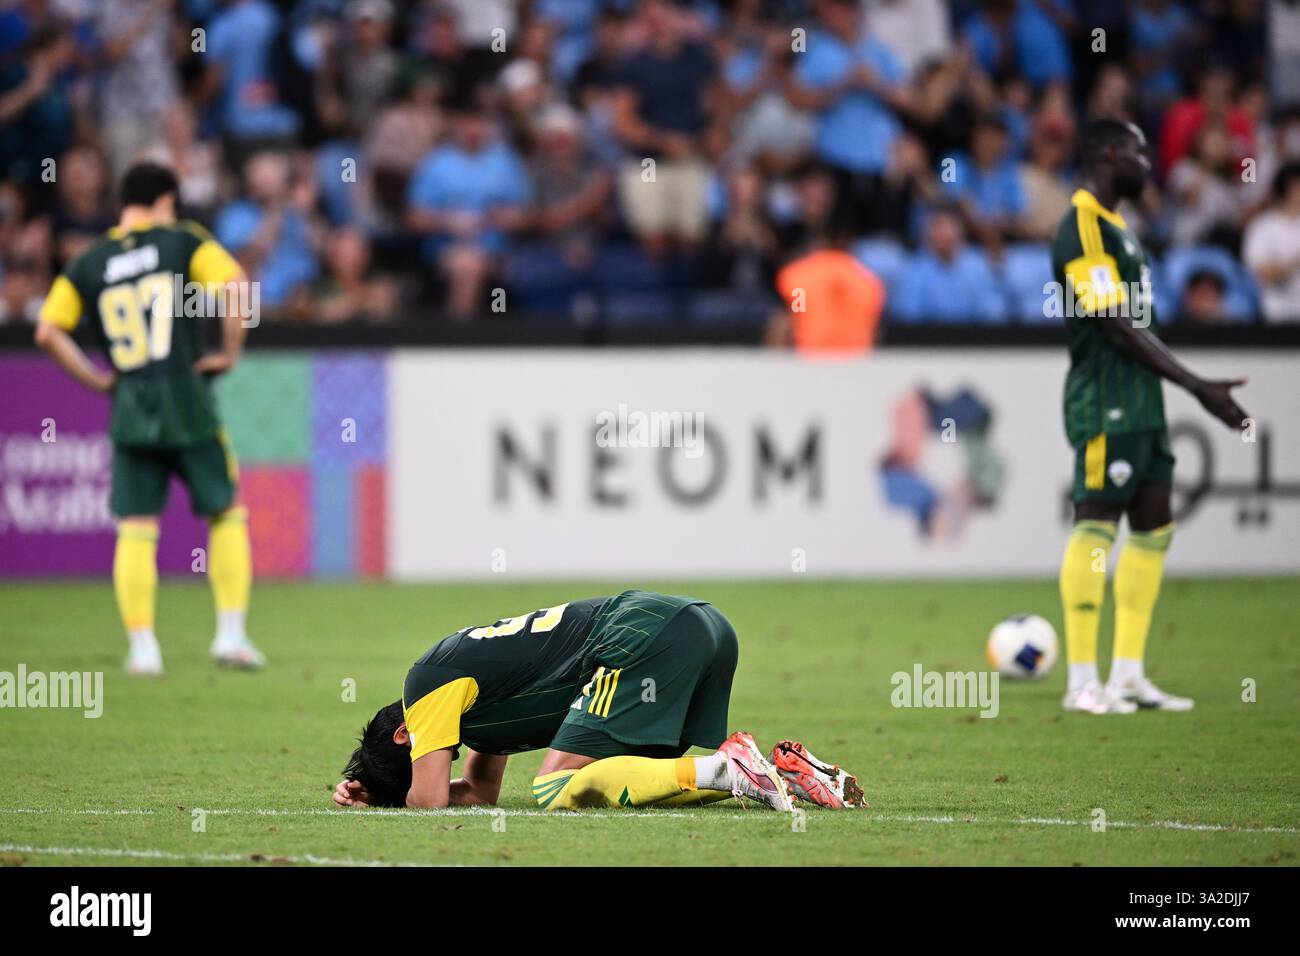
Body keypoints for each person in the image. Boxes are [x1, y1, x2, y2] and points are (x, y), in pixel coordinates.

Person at [33, 162, 264, 675]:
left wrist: (97, 379)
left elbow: (48, 331)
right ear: (165, 200)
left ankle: (143, 648)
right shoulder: (182, 241)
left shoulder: (88, 261)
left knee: (137, 527)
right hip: (188, 399)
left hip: (132, 404)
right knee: (224, 512)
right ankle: (230, 637)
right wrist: (228, 352)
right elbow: (237, 286)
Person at [332, 590, 864, 812]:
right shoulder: (472, 717)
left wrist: (380, 799)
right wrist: (382, 788)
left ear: (406, 732)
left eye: (426, 756)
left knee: (553, 787)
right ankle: (782, 773)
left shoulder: (424, 685)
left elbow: (429, 801)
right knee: (640, 780)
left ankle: (729, 770)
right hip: (699, 626)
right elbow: (479, 791)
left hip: (639, 636)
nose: (436, 761)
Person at [1052, 120, 1249, 715]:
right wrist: (1195, 386)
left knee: (1154, 525)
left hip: (1144, 401)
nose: (1147, 163)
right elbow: (1113, 323)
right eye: (1139, 153)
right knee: (1096, 527)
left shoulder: (1119, 229)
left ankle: (1129, 674)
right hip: (1105, 401)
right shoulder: (1080, 225)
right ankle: (1083, 680)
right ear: (1110, 154)